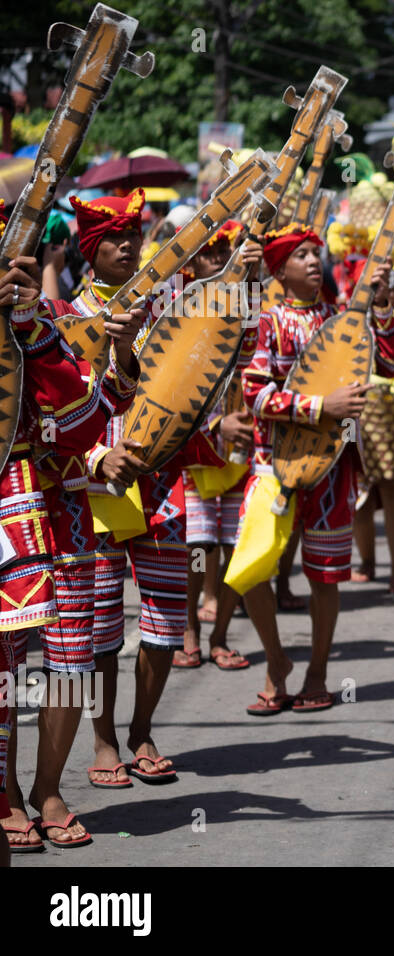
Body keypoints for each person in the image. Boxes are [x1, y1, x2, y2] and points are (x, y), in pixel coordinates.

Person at [0, 199, 140, 853]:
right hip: (4, 517)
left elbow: (82, 419)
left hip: (65, 516)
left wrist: (29, 325)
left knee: (69, 664)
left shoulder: (51, 320)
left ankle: (47, 789)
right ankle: (2, 794)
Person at [46, 189, 192, 791]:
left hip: (161, 482)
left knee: (164, 622)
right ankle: (104, 740)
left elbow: (193, 388)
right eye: (115, 238)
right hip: (91, 487)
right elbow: (53, 408)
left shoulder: (171, 312)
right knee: (101, 625)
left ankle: (141, 730)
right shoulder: (63, 321)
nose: (129, 245)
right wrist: (102, 455)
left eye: (134, 234)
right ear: (89, 248)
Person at [235, 225, 394, 715]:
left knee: (326, 576)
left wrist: (386, 305)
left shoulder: (342, 320)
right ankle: (276, 661)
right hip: (273, 464)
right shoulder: (266, 322)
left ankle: (317, 673)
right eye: (301, 255)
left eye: (317, 254)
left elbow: (392, 365)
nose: (314, 261)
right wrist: (319, 405)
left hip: (334, 469)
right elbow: (254, 393)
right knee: (250, 569)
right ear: (280, 268)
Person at [173, 221, 260, 670]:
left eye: (226, 251)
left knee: (234, 544)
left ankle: (221, 634)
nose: (219, 259)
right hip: (194, 448)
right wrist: (213, 426)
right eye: (210, 253)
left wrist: (253, 277)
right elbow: (171, 386)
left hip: (238, 447)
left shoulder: (238, 301)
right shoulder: (181, 310)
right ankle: (188, 629)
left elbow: (251, 345)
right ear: (192, 263)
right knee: (197, 548)